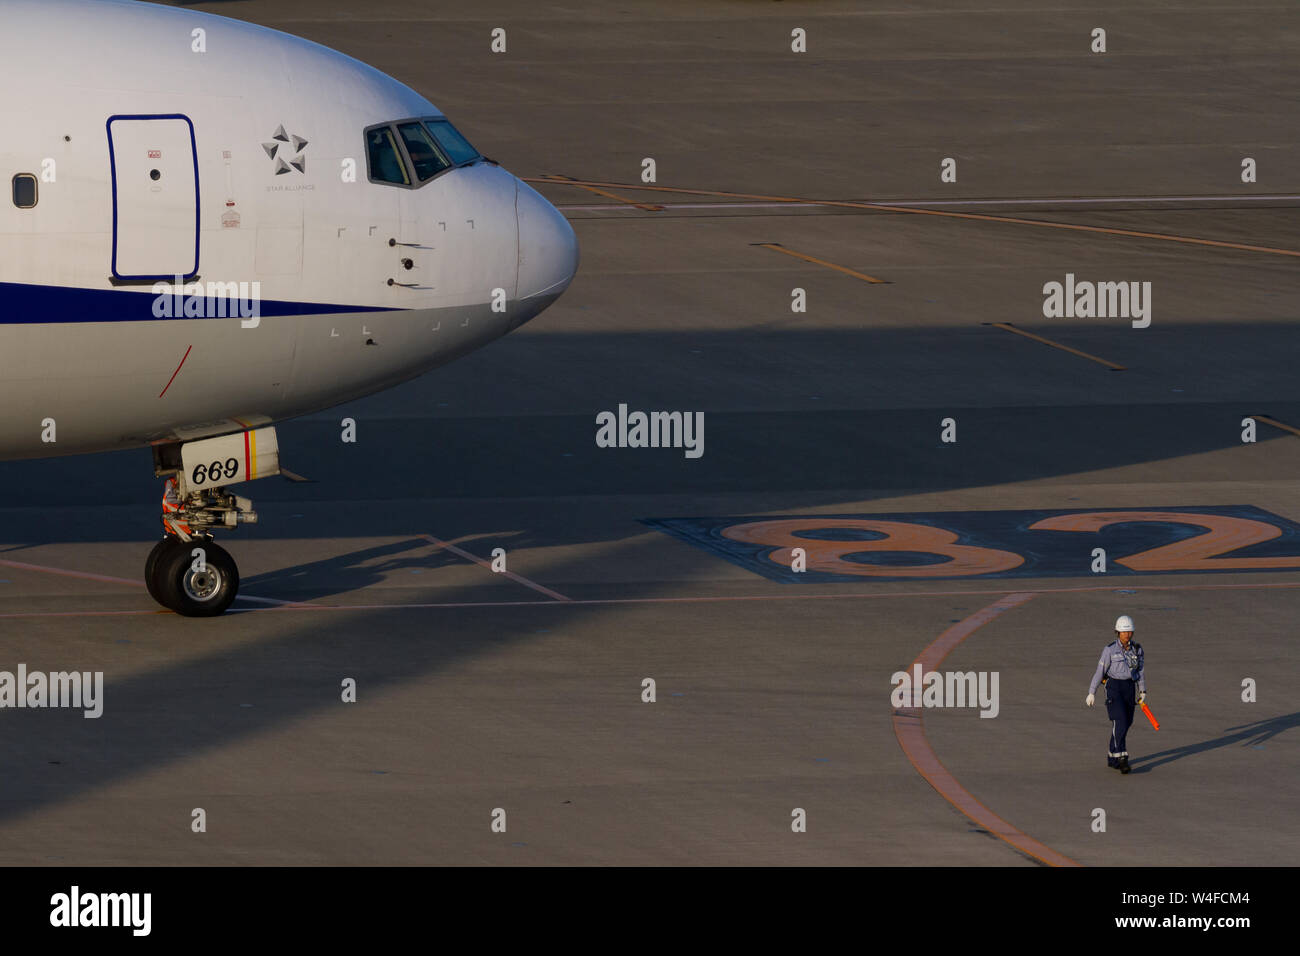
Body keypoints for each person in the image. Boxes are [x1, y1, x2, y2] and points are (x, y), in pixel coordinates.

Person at [1085, 614, 1146, 774]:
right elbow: (1100, 671)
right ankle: (1122, 757)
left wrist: (1142, 690)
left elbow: (1139, 671)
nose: (1127, 635)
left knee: (1127, 722)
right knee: (1120, 720)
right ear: (1117, 632)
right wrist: (1092, 692)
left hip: (1129, 687)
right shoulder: (1109, 650)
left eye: (1129, 632)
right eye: (1124, 632)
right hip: (1114, 687)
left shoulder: (1137, 649)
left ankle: (1112, 757)